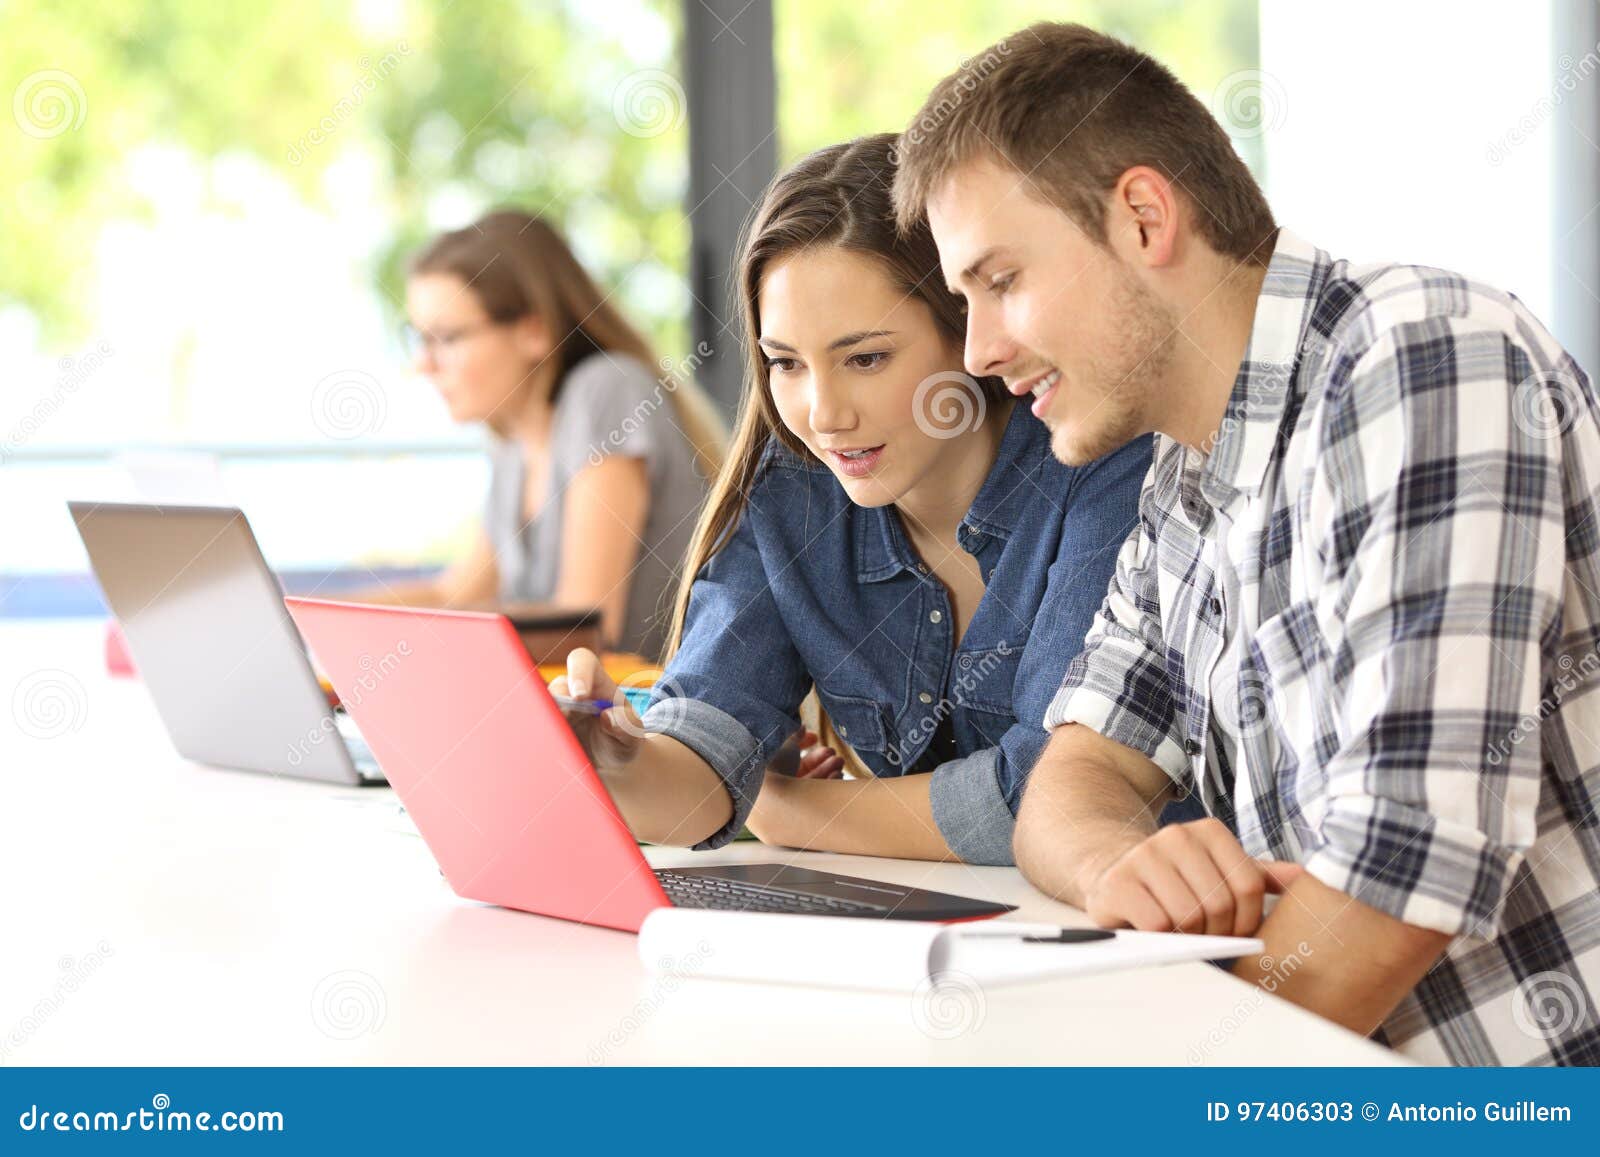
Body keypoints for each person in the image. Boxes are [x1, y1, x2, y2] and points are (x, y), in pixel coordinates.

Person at [894, 20, 1600, 1065]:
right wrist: (1115, 867)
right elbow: (1072, 771)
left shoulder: (1420, 360)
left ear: (1142, 216)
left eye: (999, 281)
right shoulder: (1184, 481)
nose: (978, 351)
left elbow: (1400, 879)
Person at [550, 133, 1151, 864]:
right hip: (956, 940)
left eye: (865, 358)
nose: (823, 413)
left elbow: (1044, 800)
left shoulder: (1100, 464)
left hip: (1150, 942)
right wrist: (618, 759)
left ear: (970, 330)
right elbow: (697, 781)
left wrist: (783, 805)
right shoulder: (794, 488)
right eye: (786, 364)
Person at [355, 209, 725, 660]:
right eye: (419, 339)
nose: (424, 365)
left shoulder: (607, 390)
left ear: (533, 330)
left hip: (651, 721)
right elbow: (453, 592)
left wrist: (420, 642)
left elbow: (583, 626)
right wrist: (299, 619)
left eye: (447, 338)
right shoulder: (513, 445)